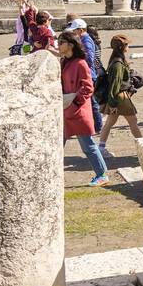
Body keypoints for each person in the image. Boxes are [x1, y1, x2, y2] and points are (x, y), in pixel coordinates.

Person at [58, 32, 108, 185]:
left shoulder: (80, 63)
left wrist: (74, 104)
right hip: (65, 109)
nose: (58, 45)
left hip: (77, 111)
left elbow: (87, 87)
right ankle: (50, 174)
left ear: (70, 45)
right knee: (56, 144)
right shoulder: (63, 61)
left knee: (88, 146)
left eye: (61, 42)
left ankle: (102, 174)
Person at [98, 35, 143, 149]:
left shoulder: (117, 60)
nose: (128, 46)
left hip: (117, 96)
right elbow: (115, 84)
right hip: (120, 97)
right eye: (127, 44)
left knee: (109, 123)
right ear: (121, 47)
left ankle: (101, 148)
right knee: (133, 122)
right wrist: (112, 103)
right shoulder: (118, 63)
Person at [64, 18, 104, 133]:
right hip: (86, 73)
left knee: (92, 101)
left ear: (80, 30)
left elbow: (90, 59)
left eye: (75, 30)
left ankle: (98, 126)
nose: (73, 33)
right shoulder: (82, 39)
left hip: (89, 75)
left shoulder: (86, 40)